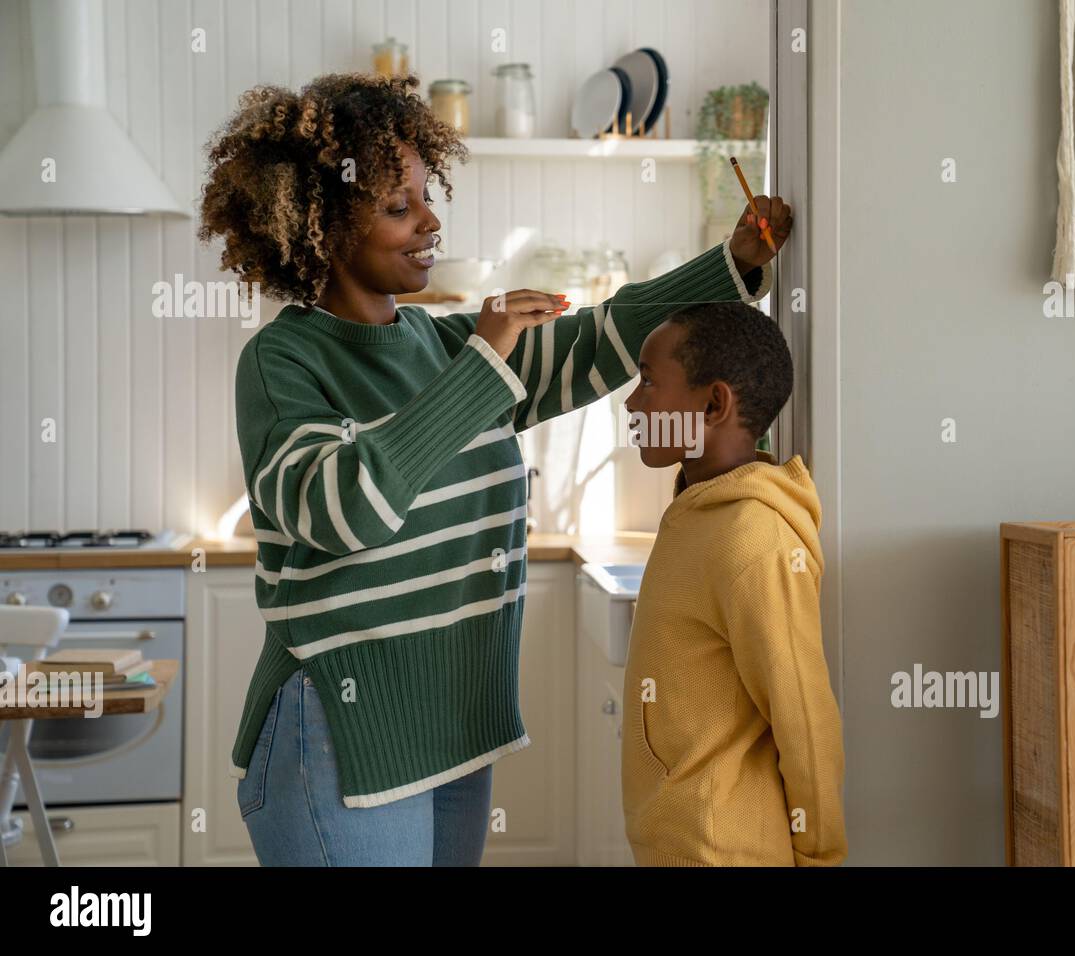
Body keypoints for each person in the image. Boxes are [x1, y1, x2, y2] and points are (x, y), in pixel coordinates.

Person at [197, 72, 787, 865]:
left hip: (453, 734)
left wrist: (734, 264)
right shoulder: (284, 360)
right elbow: (343, 512)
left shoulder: (441, 343)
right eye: (398, 207)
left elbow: (603, 336)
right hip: (342, 740)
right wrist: (485, 360)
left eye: (424, 196)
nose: (430, 221)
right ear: (323, 228)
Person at [621, 300, 846, 866]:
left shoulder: (753, 538)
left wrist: (820, 857)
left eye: (648, 381)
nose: (631, 402)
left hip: (722, 851)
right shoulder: (699, 511)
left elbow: (803, 715)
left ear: (714, 402)